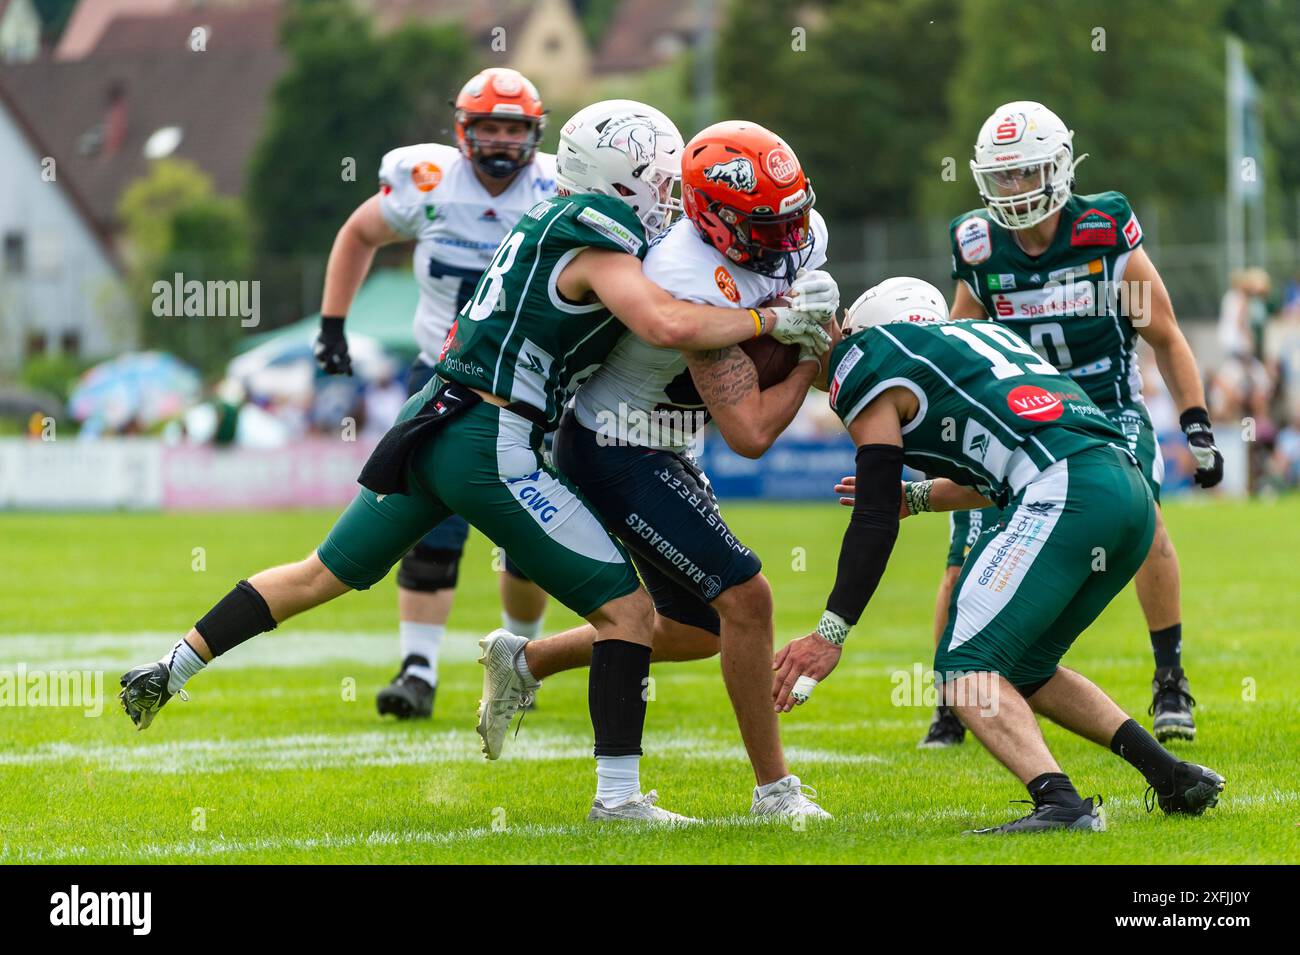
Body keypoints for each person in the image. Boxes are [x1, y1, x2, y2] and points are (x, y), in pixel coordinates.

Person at [119, 99, 833, 825]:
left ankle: (169, 667)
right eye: (656, 177)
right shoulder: (594, 233)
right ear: (620, 181)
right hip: (494, 436)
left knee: (315, 573)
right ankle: (617, 798)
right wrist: (773, 320)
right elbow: (664, 321)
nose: (668, 195)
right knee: (628, 611)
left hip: (434, 415)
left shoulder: (547, 218)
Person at [774, 277, 1225, 833]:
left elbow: (869, 521)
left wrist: (830, 633)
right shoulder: (977, 343)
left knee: (964, 666)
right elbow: (998, 472)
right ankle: (1171, 776)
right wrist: (915, 499)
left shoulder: (866, 358)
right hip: (1124, 490)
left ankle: (1060, 804)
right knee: (1027, 668)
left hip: (1067, 491)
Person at [474, 121, 833, 819]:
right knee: (747, 599)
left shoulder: (798, 233)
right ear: (713, 217)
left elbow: (791, 342)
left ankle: (525, 661)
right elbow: (752, 431)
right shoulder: (687, 274)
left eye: (793, 216)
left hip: (667, 441)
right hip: (617, 445)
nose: (790, 239)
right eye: (767, 224)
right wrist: (813, 349)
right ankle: (773, 791)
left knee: (700, 628)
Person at [922, 101, 1224, 745]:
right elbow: (960, 342)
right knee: (966, 544)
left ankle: (1170, 679)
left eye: (1027, 173)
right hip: (1017, 426)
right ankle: (953, 696)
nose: (1015, 189)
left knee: (1145, 522)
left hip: (1104, 413)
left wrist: (1196, 423)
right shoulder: (976, 243)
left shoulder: (1103, 227)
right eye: (1003, 177)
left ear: (1058, 169)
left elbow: (1165, 335)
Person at [313, 67, 556, 720]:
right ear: (463, 131)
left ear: (535, 133)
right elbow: (359, 232)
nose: (503, 141)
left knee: (532, 532)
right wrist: (333, 321)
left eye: (514, 128)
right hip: (442, 374)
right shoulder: (427, 181)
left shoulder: (560, 188)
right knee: (429, 523)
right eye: (490, 127)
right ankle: (417, 668)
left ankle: (521, 661)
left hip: (532, 383)